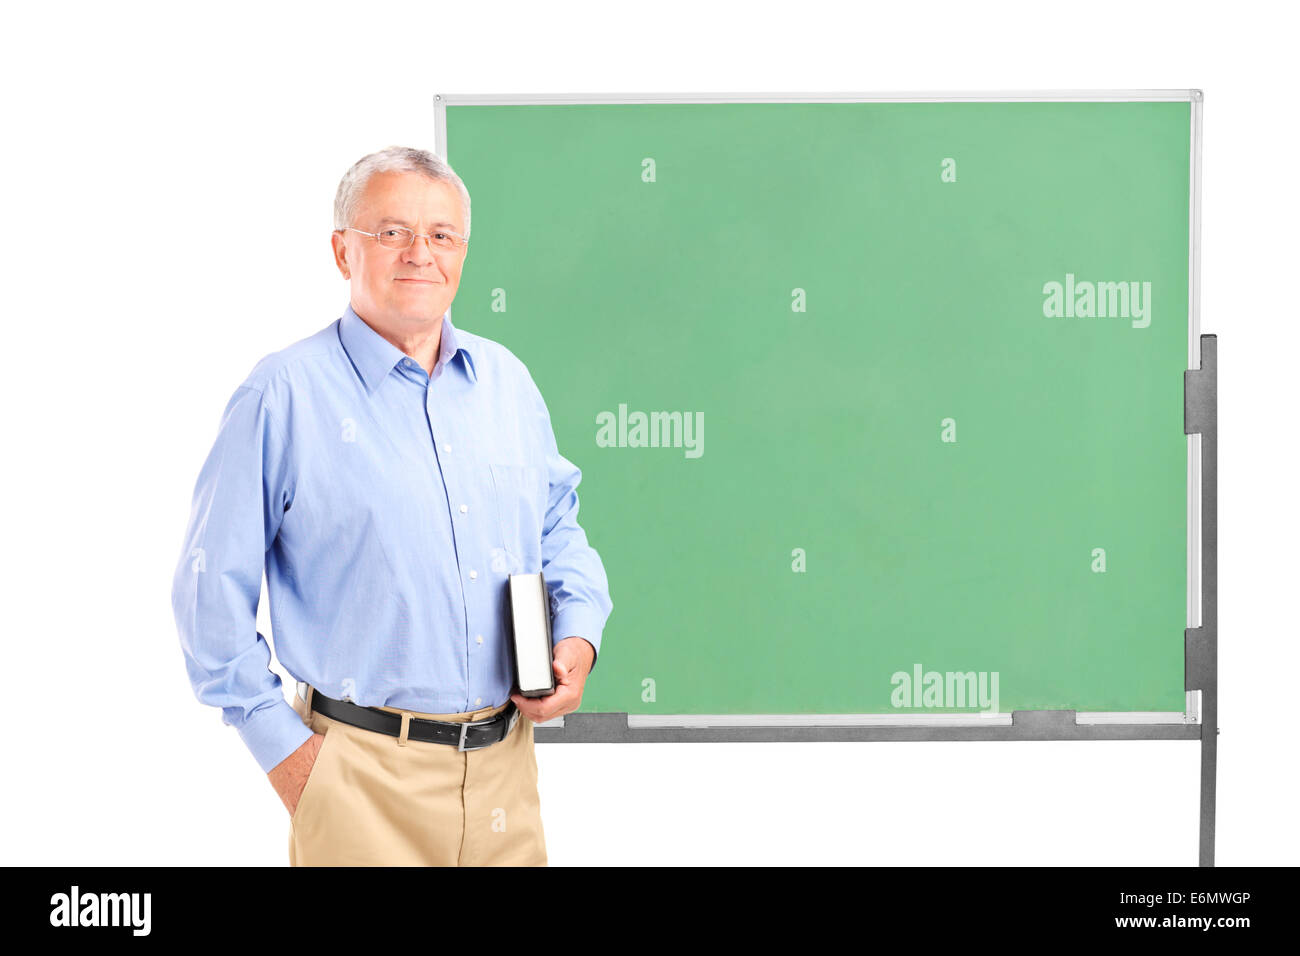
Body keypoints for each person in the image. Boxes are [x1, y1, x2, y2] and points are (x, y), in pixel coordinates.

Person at [170, 145, 613, 866]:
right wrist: (294, 762)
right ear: (343, 249)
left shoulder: (507, 383)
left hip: (506, 770)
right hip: (359, 780)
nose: (420, 254)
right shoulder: (281, 396)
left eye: (442, 235)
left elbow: (557, 527)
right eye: (392, 232)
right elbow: (206, 595)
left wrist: (580, 633)